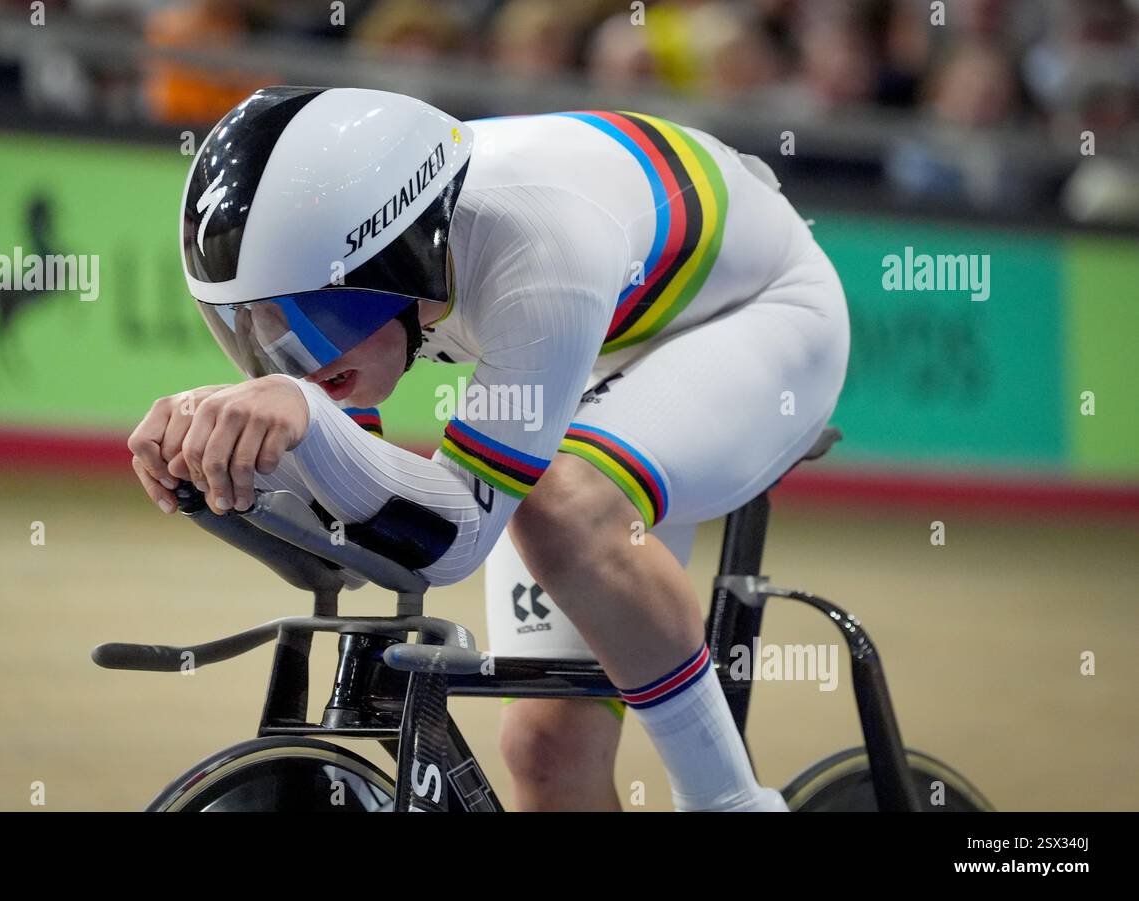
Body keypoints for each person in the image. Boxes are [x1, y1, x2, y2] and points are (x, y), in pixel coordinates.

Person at [128, 86, 850, 812]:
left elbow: (454, 539)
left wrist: (305, 417)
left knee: (564, 508)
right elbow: (345, 537)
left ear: (404, 257)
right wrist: (215, 465)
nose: (286, 355)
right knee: (545, 751)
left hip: (764, 316)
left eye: (313, 317)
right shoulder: (392, 249)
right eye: (252, 324)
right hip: (606, 336)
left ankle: (731, 801)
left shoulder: (540, 243)